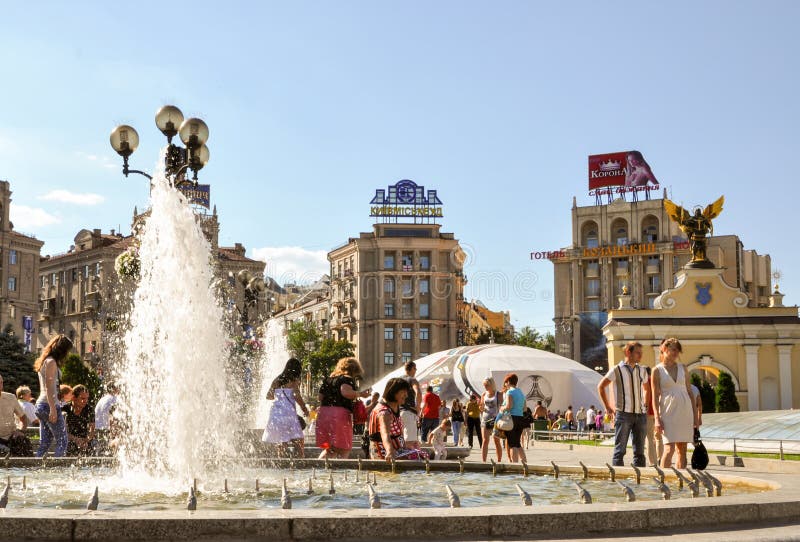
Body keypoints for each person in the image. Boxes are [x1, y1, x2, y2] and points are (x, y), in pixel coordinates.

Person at [597, 341, 649, 467]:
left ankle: (639, 481)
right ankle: (617, 483)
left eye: (641, 353)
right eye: (637, 353)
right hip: (623, 414)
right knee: (620, 450)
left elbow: (647, 388)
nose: (640, 356)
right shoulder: (617, 369)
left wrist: (645, 405)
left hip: (640, 414)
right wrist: (608, 407)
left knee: (640, 452)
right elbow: (601, 387)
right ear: (628, 352)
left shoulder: (642, 370)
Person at [652, 338, 698, 469]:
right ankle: (663, 480)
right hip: (667, 412)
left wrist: (695, 416)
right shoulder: (657, 370)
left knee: (682, 449)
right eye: (673, 349)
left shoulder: (683, 368)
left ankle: (680, 482)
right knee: (669, 449)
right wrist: (656, 419)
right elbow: (655, 397)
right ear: (664, 349)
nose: (676, 352)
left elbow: (690, 393)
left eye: (678, 350)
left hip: (685, 411)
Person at [316, 357, 370, 459]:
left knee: (329, 449)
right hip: (339, 415)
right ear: (354, 370)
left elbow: (320, 397)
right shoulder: (347, 379)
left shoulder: (328, 379)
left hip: (323, 414)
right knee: (344, 448)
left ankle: (319, 470)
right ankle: (340, 472)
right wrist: (360, 394)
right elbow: (345, 392)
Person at [367, 377, 427, 461]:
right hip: (384, 452)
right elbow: (385, 434)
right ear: (393, 392)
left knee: (422, 455)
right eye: (403, 392)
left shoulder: (395, 406)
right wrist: (390, 451)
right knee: (417, 457)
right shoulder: (384, 412)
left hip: (398, 450)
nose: (406, 395)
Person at [34, 335, 73, 457]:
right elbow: (49, 387)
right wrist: (53, 409)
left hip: (42, 404)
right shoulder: (51, 362)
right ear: (62, 350)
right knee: (62, 440)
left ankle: (35, 467)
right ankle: (57, 469)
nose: (67, 354)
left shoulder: (46, 360)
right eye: (67, 350)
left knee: (45, 442)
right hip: (48, 405)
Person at [262, 358, 309, 457]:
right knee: (298, 438)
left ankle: (281, 462)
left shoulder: (277, 380)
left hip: (276, 413)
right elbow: (296, 395)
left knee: (282, 440)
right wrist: (304, 408)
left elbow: (269, 396)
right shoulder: (294, 380)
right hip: (288, 413)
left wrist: (280, 395)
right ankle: (302, 459)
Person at [0, 373, 31, 456]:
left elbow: (23, 418)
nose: (0, 385)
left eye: (1, 382)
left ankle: (30, 467)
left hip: (12, 436)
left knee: (23, 440)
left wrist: (20, 430)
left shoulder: (11, 397)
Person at [63, 384, 95, 456]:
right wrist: (76, 439)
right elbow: (63, 432)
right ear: (74, 398)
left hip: (85, 440)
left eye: (87, 398)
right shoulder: (65, 409)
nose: (85, 401)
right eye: (82, 398)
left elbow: (92, 429)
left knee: (91, 446)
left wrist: (87, 440)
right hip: (69, 440)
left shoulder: (89, 409)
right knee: (68, 445)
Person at [479, 377, 503, 463]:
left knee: (496, 441)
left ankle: (499, 461)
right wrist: (481, 408)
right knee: (485, 440)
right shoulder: (483, 395)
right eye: (484, 385)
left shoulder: (498, 394)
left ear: (492, 384)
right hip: (485, 419)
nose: (485, 387)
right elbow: (481, 406)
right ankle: (484, 461)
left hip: (496, 420)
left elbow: (502, 407)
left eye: (487, 385)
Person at [400, 361, 422, 449]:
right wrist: (418, 407)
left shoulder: (398, 380)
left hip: (398, 413)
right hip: (409, 412)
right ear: (410, 369)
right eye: (415, 368)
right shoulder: (412, 380)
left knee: (401, 439)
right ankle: (410, 461)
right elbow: (418, 392)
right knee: (410, 441)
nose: (416, 370)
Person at [94, 383, 119, 456]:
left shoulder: (102, 399)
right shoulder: (114, 399)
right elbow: (113, 418)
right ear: (115, 389)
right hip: (108, 431)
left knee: (101, 457)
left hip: (98, 431)